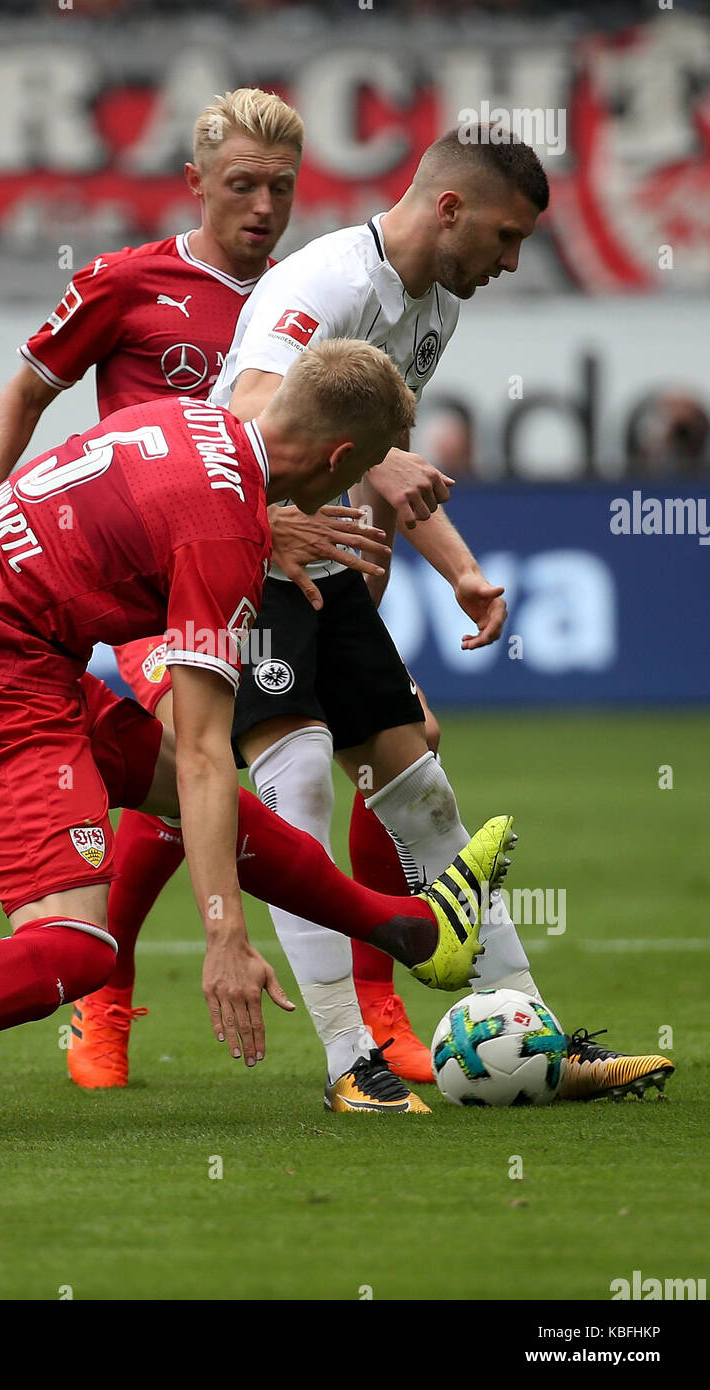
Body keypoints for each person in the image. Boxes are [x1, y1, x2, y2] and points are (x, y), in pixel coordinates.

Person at [0, 341, 519, 1137]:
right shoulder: (222, 534)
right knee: (76, 948)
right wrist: (225, 937)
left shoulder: (199, 424)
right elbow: (205, 750)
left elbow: (160, 504)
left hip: (6, 648)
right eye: (361, 470)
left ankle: (412, 930)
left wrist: (260, 531)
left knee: (203, 802)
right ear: (341, 457)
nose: (352, 488)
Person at [0, 87, 436, 1107]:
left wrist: (451, 557)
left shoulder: (309, 298)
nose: (262, 206)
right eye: (240, 186)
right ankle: (112, 988)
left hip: (288, 558)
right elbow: (26, 393)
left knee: (405, 744)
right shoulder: (127, 283)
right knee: (198, 746)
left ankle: (378, 996)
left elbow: (373, 447)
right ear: (194, 184)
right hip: (168, 574)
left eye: (280, 187)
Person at [207, 124, 674, 1104]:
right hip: (242, 546)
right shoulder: (324, 282)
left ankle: (542, 1048)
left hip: (322, 555)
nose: (509, 263)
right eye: (504, 239)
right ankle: (349, 1063)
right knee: (295, 788)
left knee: (422, 797)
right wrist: (374, 465)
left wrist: (458, 571)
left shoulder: (430, 308)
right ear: (448, 209)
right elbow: (252, 407)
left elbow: (371, 450)